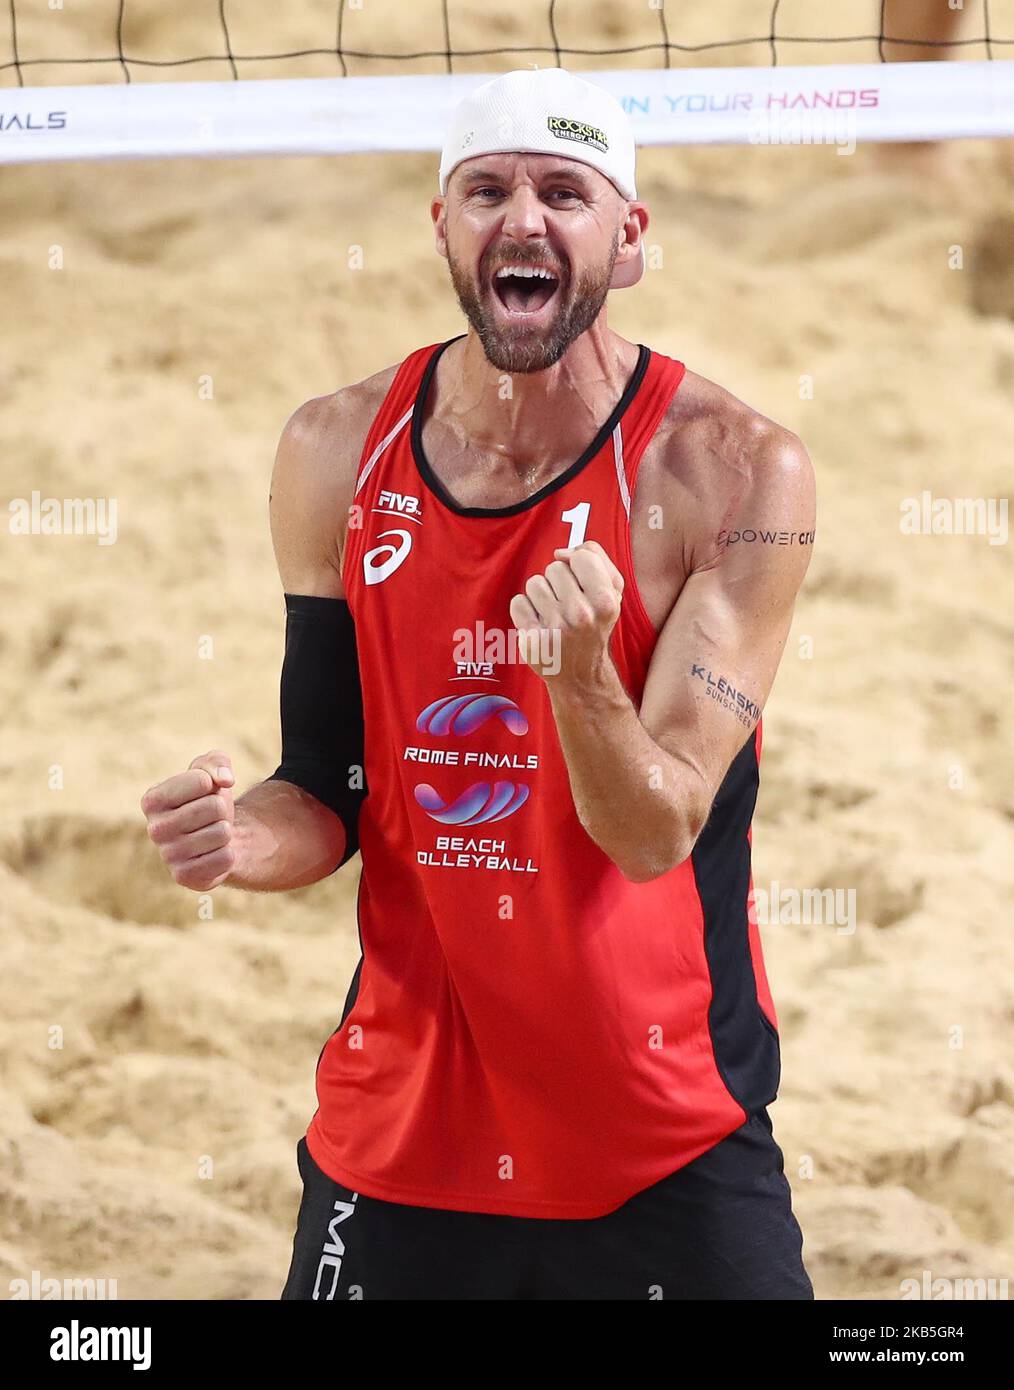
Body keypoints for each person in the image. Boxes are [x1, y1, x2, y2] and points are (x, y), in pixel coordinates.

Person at [141, 67, 816, 1300]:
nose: (524, 218)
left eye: (566, 192)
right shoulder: (336, 446)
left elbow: (658, 828)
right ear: (441, 226)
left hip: (659, 1122)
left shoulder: (733, 468)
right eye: (488, 188)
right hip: (404, 1128)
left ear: (629, 241)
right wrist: (237, 838)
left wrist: (579, 684)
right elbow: (327, 789)